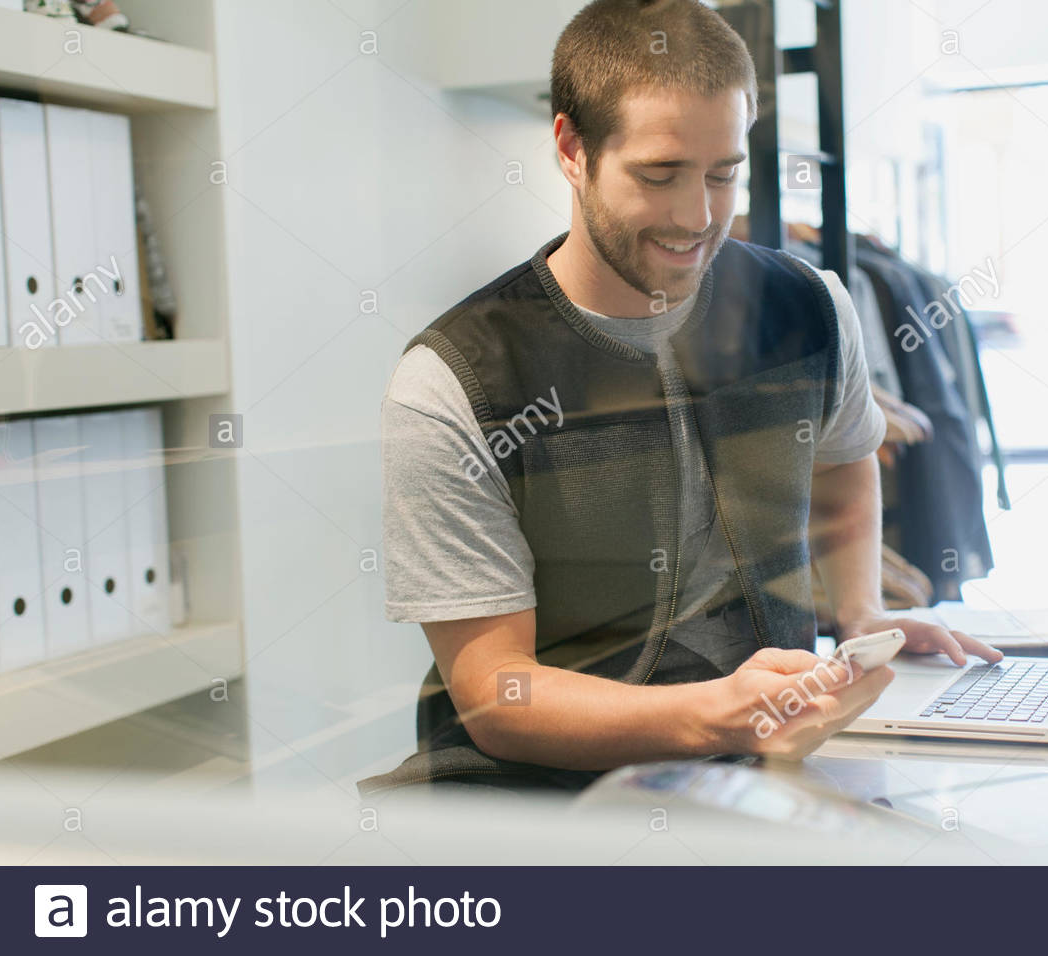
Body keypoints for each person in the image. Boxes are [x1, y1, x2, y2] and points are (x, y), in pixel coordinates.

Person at [358, 0, 1001, 797]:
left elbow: (845, 455)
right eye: (659, 175)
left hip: (761, 776)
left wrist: (862, 611)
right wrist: (718, 715)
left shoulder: (810, 307)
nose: (697, 217)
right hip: (539, 811)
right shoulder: (454, 382)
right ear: (570, 148)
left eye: (723, 174)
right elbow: (497, 695)